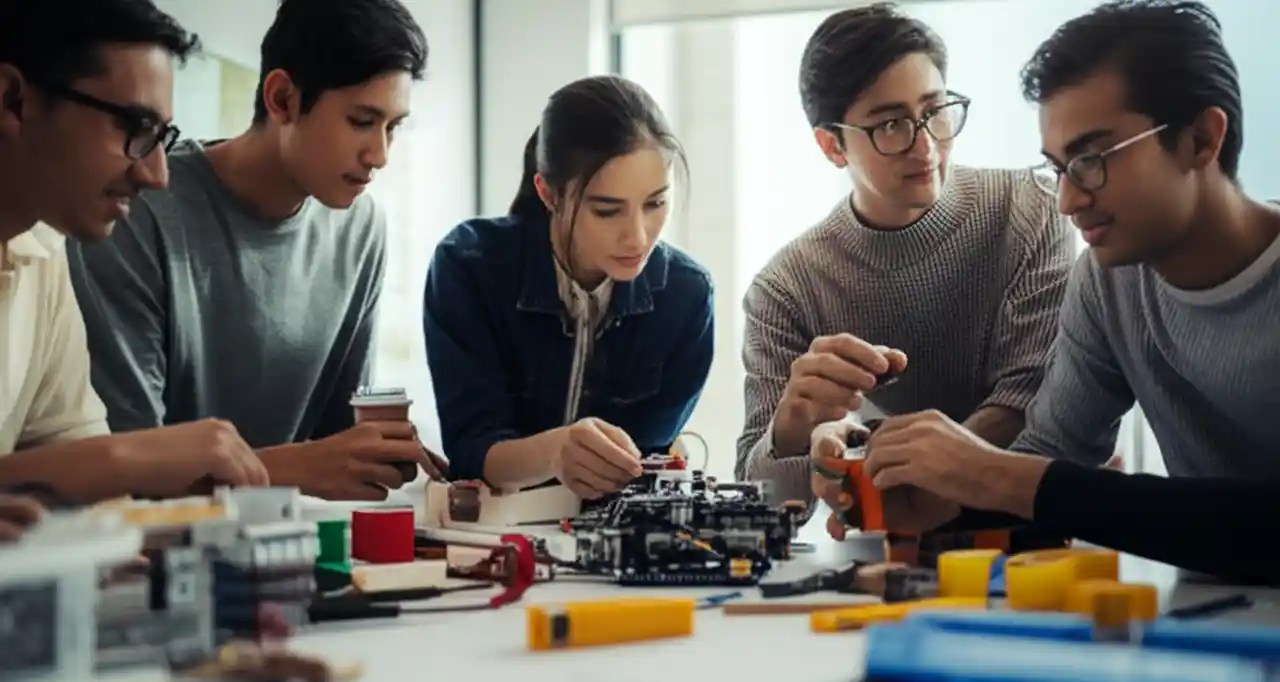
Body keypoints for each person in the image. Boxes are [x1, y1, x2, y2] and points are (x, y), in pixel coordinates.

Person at [812, 1, 1280, 584]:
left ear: (1200, 139)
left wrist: (990, 475)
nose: (1067, 201)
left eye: (1090, 160)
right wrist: (927, 491)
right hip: (1219, 630)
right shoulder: (1108, 282)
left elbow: (1030, 481)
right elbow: (1045, 463)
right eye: (1058, 169)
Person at [67, 0, 445, 501]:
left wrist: (374, 453)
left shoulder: (361, 228)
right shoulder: (138, 208)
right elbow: (123, 468)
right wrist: (288, 469)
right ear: (283, 98)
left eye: (393, 127)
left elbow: (335, 450)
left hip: (288, 544)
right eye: (360, 121)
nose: (379, 156)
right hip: (153, 551)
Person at [735, 3, 1074, 510]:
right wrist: (792, 432)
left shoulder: (1030, 211)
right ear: (832, 146)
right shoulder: (787, 287)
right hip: (881, 542)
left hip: (1033, 530)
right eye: (890, 125)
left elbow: (1033, 403)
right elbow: (757, 497)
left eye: (935, 112)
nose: (925, 145)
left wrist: (889, 465)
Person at [0, 0, 268, 505]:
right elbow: (88, 465)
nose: (157, 175)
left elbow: (72, 472)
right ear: (13, 101)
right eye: (135, 128)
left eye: (163, 138)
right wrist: (124, 459)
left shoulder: (44, 252)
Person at [423, 75, 714, 502]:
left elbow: (645, 461)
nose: (637, 237)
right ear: (548, 193)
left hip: (613, 537)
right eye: (607, 210)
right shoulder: (469, 266)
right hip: (492, 531)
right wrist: (554, 451)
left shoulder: (687, 296)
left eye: (655, 203)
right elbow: (471, 449)